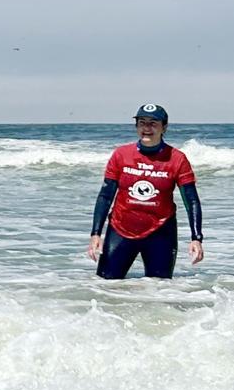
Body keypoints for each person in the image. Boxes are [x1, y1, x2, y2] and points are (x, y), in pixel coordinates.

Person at [87, 104, 204, 279]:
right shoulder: (121, 155)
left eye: (153, 123)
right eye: (142, 123)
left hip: (161, 233)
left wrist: (197, 238)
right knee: (106, 288)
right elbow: (105, 196)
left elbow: (191, 200)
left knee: (159, 291)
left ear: (164, 127)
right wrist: (95, 234)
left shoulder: (177, 159)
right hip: (120, 230)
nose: (147, 128)